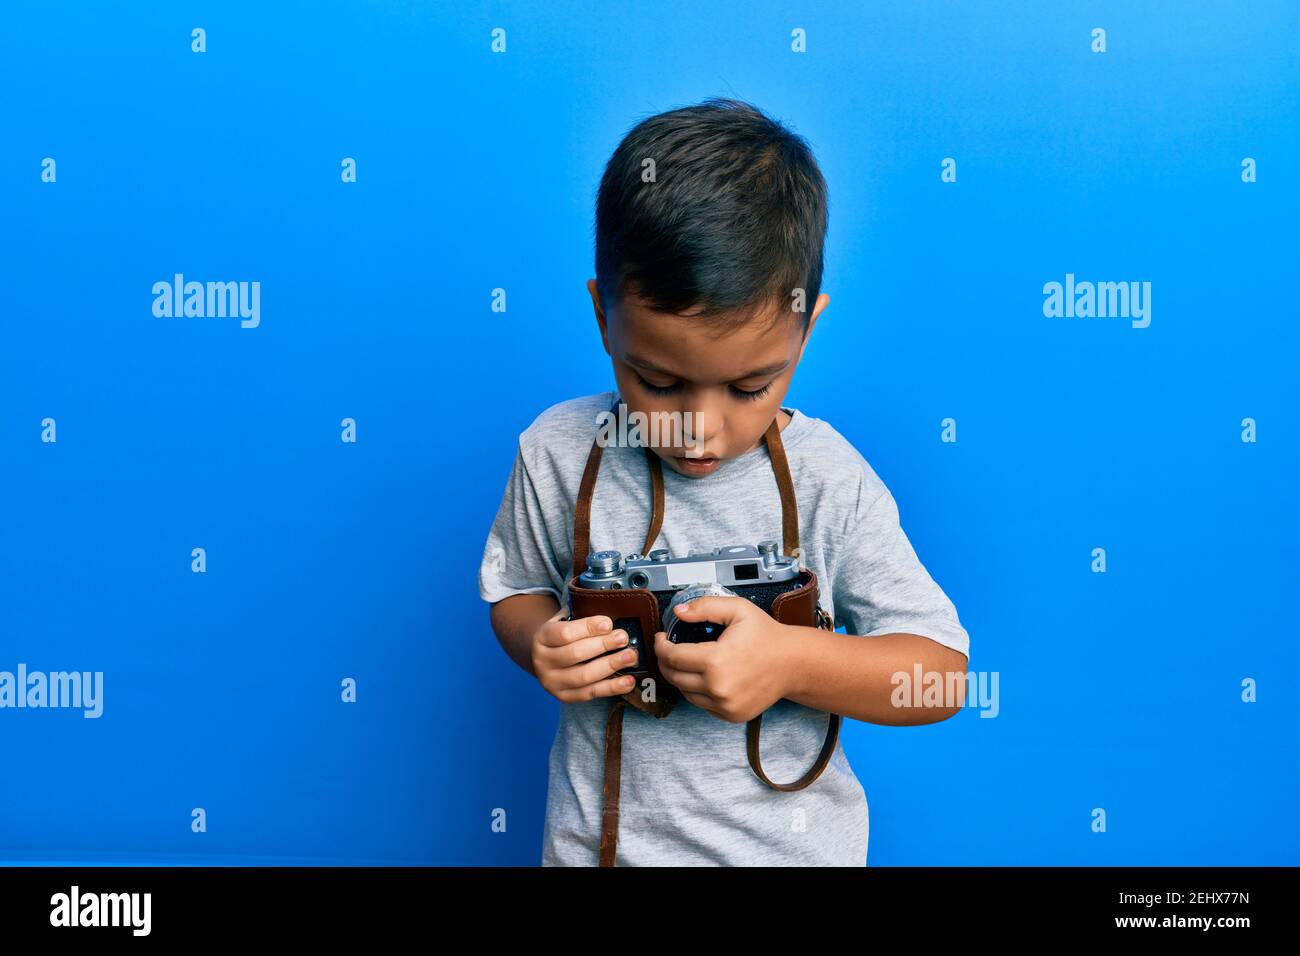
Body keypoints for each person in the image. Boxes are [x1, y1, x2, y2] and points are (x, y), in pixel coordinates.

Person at [479, 98, 970, 866]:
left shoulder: (826, 478)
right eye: (658, 380)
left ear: (807, 328)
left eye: (750, 387)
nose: (700, 428)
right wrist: (541, 643)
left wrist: (792, 661)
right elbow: (513, 591)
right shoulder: (557, 451)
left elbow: (939, 679)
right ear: (604, 317)